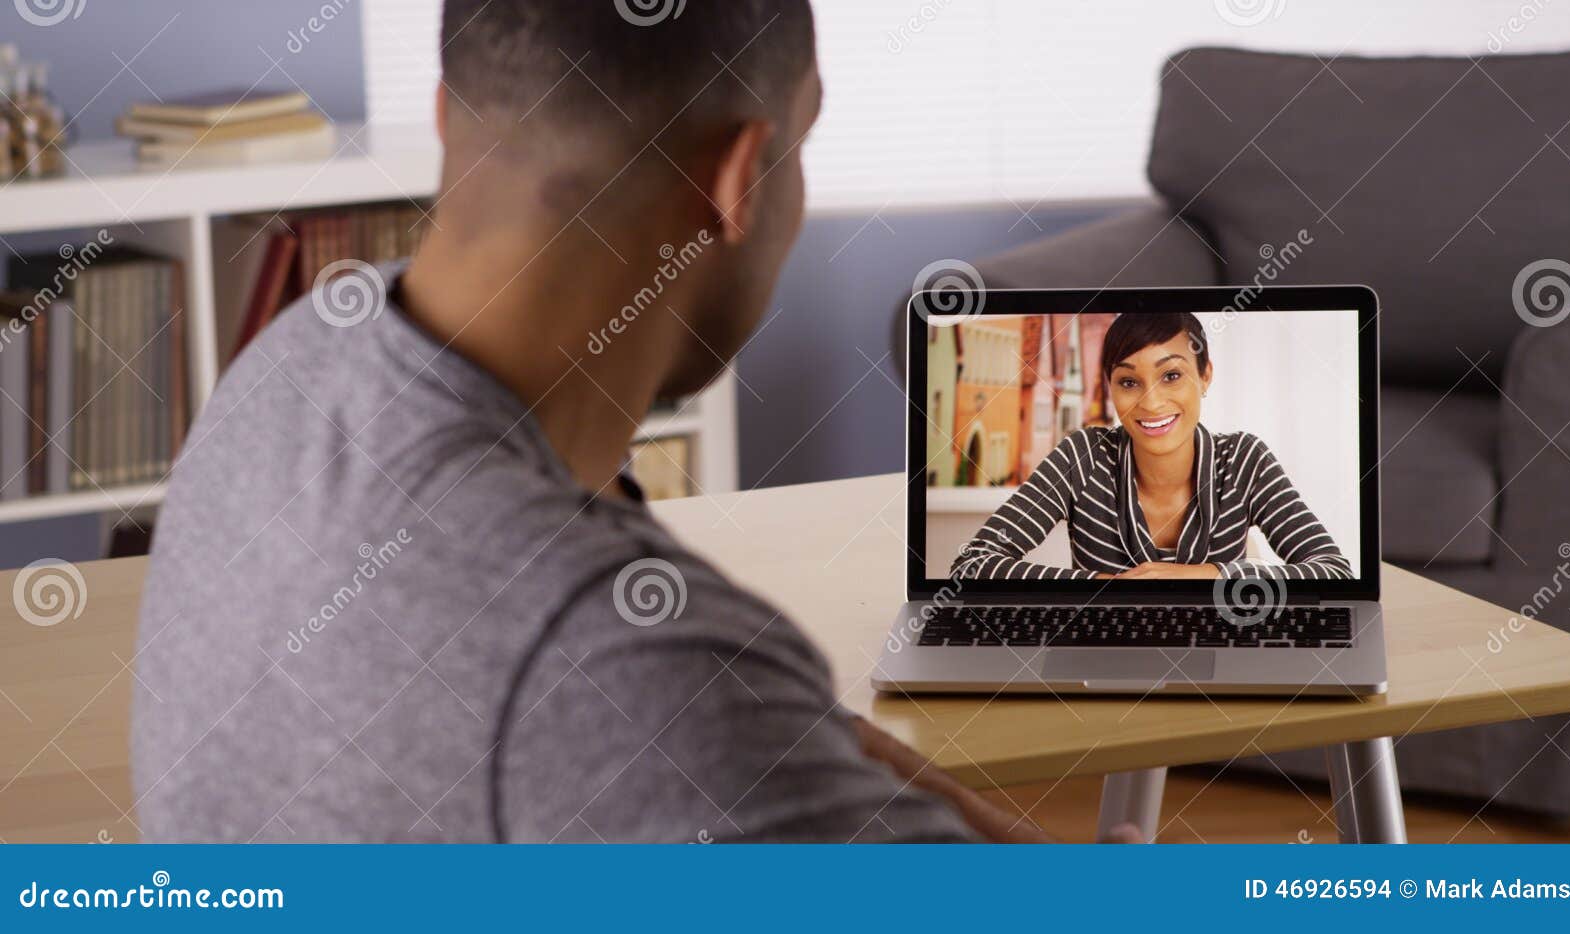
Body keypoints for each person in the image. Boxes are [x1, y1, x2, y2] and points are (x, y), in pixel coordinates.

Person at [132, 0, 1131, 844]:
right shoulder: (632, 677)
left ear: (446, 115)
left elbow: (753, 746)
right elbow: (671, 716)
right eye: (802, 143)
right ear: (738, 180)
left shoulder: (294, 362)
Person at [954, 312, 1352, 582]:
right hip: (1104, 652)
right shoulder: (1083, 456)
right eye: (1129, 382)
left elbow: (1333, 570)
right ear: (1111, 388)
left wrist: (1207, 575)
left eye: (1171, 375)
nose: (1151, 402)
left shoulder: (1243, 461)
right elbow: (972, 565)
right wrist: (1104, 588)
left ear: (1205, 376)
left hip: (1222, 652)